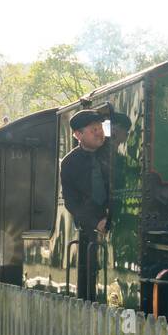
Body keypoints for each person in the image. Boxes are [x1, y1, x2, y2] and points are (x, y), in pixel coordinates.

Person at [59, 108, 110, 300]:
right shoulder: (69, 163)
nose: (99, 132)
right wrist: (96, 222)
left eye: (100, 127)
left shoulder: (113, 150)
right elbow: (72, 202)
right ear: (78, 135)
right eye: (93, 129)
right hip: (91, 229)